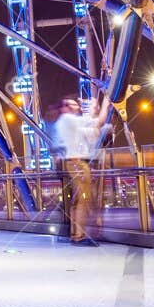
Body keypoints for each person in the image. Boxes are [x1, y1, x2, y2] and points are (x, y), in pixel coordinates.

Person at [51, 96, 100, 246]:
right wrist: (101, 105)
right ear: (63, 108)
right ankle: (79, 236)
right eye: (70, 104)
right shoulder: (67, 119)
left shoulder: (69, 123)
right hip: (77, 162)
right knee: (83, 198)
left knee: (78, 199)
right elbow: (98, 122)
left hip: (73, 162)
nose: (75, 106)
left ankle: (75, 234)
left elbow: (92, 133)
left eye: (75, 104)